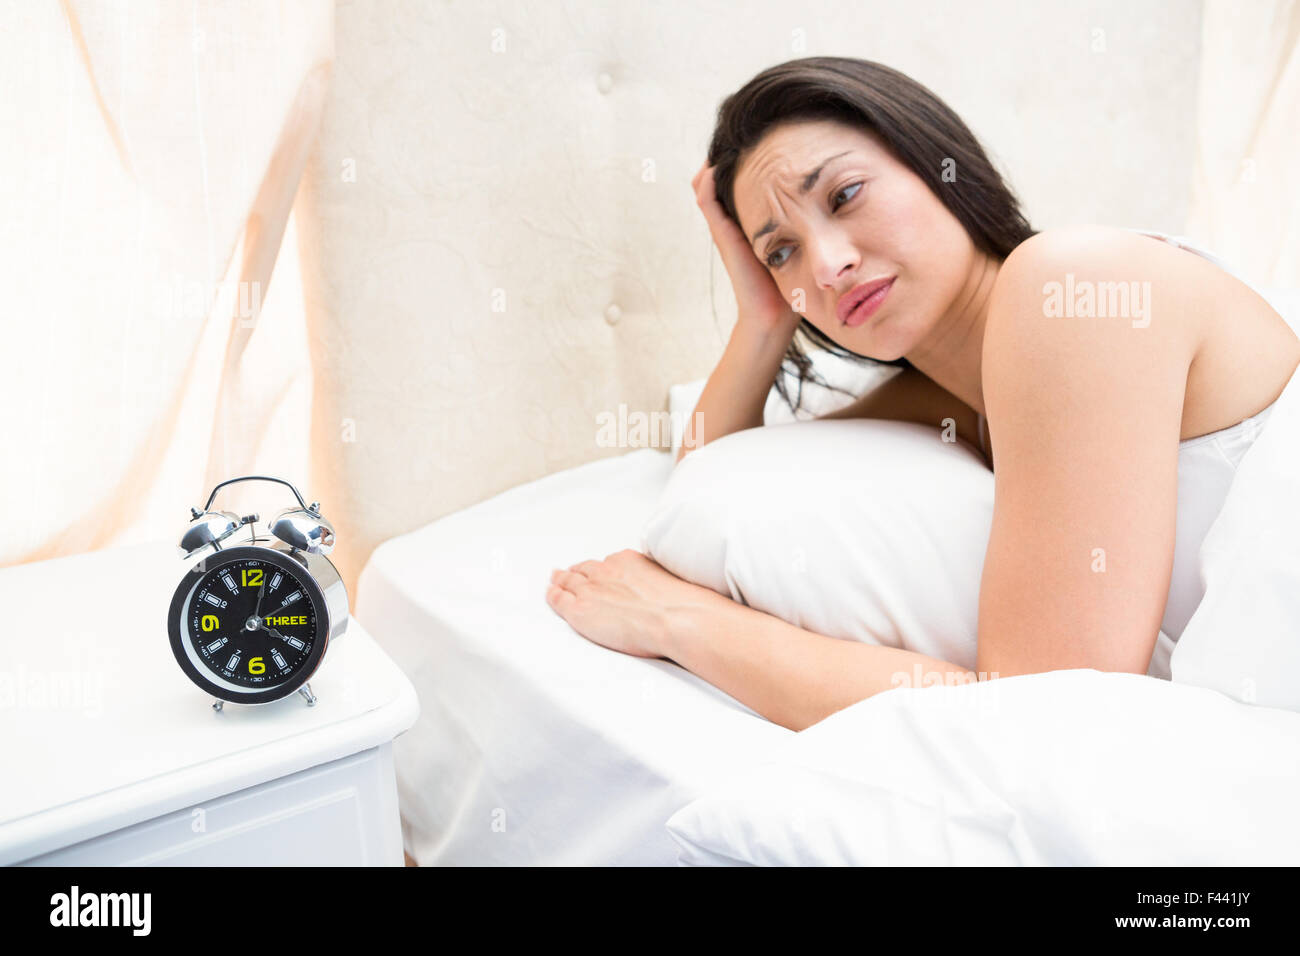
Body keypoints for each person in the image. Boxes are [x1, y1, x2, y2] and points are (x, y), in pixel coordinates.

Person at [544, 56, 1300, 732]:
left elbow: (1047, 717)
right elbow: (705, 483)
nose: (829, 263)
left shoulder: (1070, 289)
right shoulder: (934, 398)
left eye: (844, 195)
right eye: (783, 250)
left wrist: (683, 624)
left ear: (940, 164)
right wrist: (764, 317)